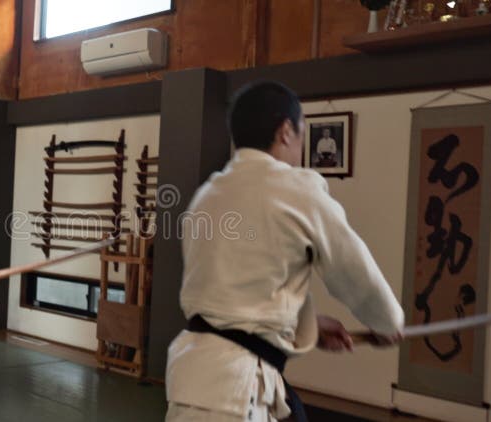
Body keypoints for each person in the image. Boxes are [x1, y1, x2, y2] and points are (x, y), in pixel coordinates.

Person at [165, 81, 404, 422]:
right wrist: (387, 322)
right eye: (302, 134)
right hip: (236, 388)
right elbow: (354, 275)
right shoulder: (298, 190)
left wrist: (312, 326)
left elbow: (241, 288)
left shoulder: (207, 195)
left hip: (192, 375)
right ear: (286, 130)